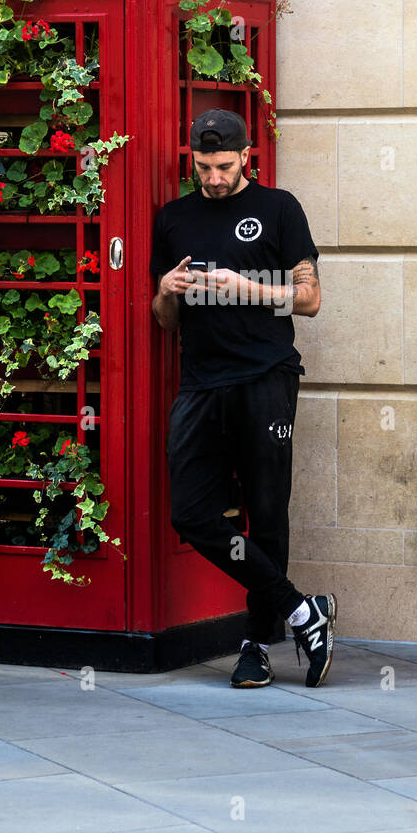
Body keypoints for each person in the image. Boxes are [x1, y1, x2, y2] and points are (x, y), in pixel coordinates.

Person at [149, 108, 336, 688]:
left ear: (246, 156)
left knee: (267, 513)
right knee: (191, 514)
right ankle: (305, 611)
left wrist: (245, 288)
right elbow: (163, 322)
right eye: (203, 166)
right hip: (202, 384)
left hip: (265, 379)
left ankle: (255, 645)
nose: (215, 178)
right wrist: (167, 289)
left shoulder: (279, 208)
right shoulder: (174, 218)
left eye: (224, 165)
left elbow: (309, 300)